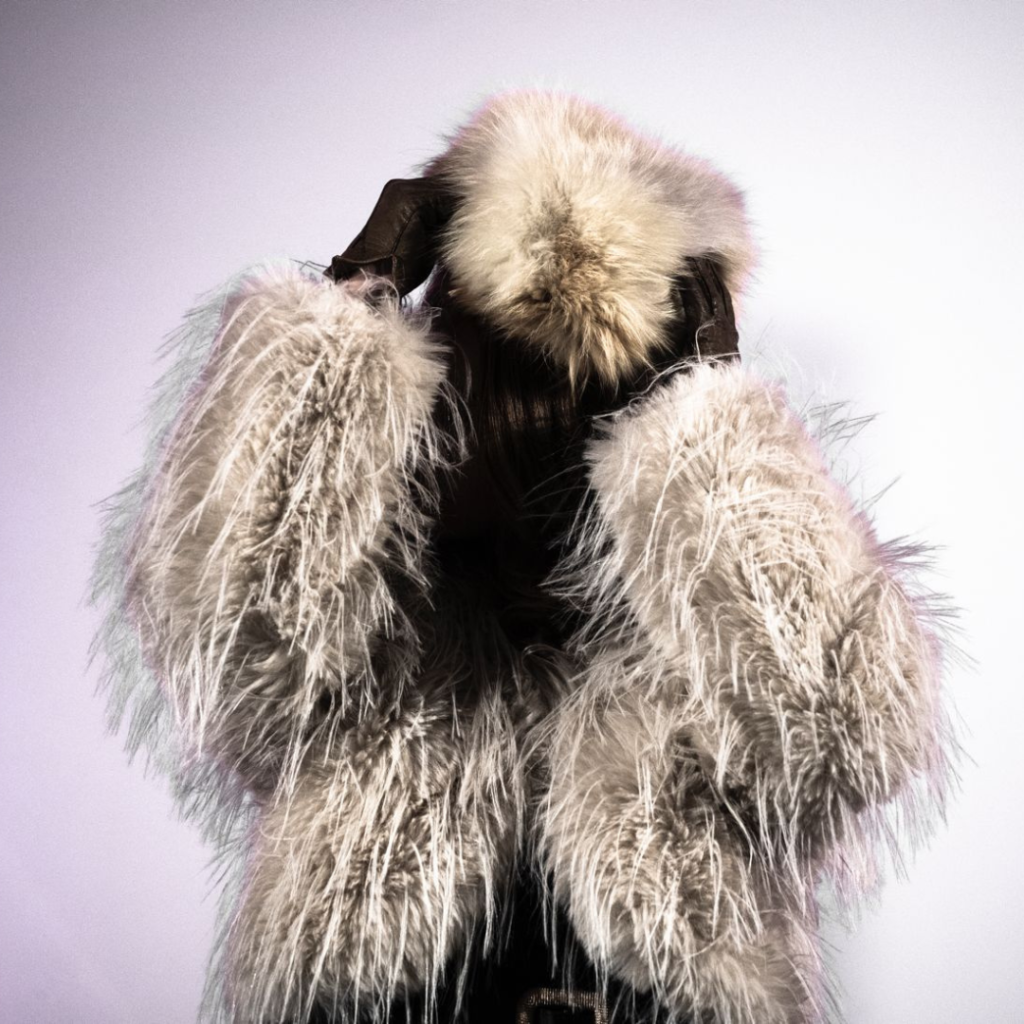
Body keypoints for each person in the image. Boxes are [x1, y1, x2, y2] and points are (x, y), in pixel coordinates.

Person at [93, 90, 952, 1024]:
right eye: (473, 369)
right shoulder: (371, 664)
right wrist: (347, 308)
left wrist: (713, 417)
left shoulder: (702, 675)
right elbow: (233, 620)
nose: (518, 421)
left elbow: (839, 732)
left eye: (584, 388)